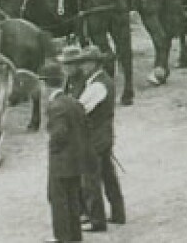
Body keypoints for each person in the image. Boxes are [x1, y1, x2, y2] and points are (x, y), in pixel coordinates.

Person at [63, 46, 125, 231]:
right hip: (103, 135)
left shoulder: (98, 85)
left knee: (90, 180)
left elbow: (80, 109)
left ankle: (97, 220)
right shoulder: (100, 81)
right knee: (108, 176)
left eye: (85, 62)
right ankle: (118, 213)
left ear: (94, 64)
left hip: (95, 137)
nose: (82, 66)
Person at [43, 61, 88, 243]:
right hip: (76, 159)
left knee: (58, 200)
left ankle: (62, 237)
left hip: (61, 161)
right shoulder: (74, 102)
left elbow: (59, 134)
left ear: (45, 84)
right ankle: (75, 236)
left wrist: (53, 148)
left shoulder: (55, 106)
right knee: (73, 199)